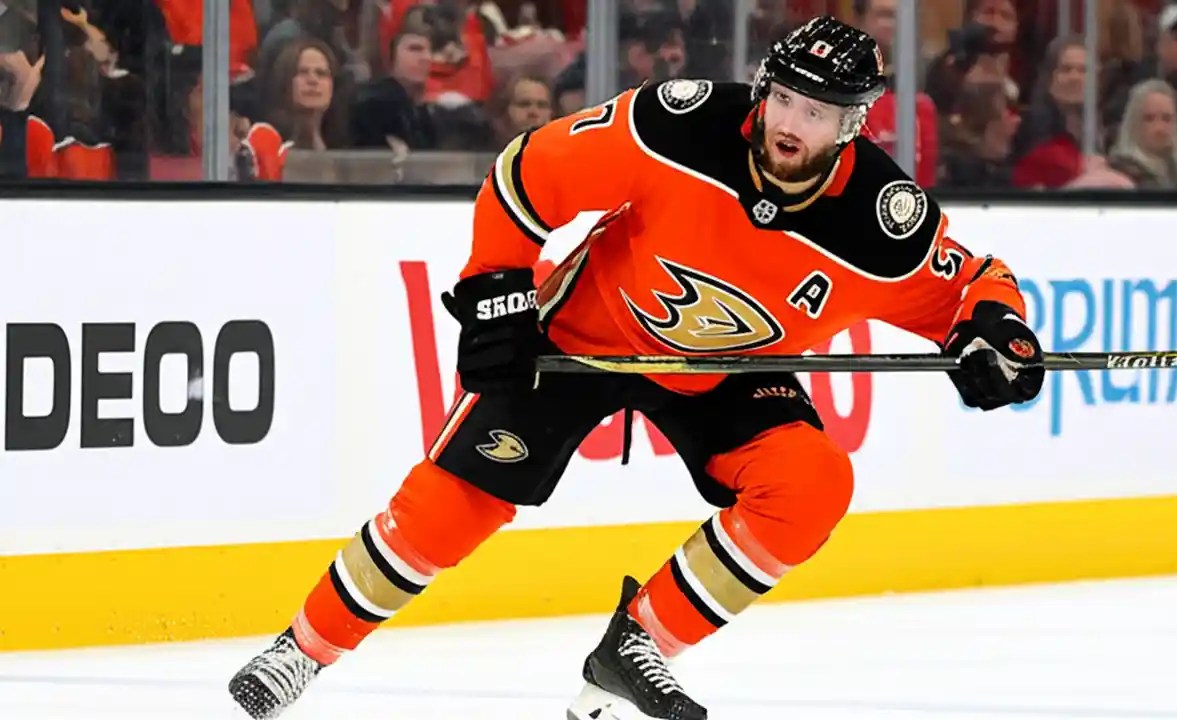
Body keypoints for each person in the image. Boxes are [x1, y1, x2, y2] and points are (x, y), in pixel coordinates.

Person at [227, 15, 1045, 720]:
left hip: (727, 367)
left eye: (821, 112)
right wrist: (496, 291)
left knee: (812, 482)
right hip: (587, 336)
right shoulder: (677, 127)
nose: (793, 124)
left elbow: (969, 288)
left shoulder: (882, 223)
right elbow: (527, 173)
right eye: (786, 98)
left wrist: (997, 335)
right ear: (764, 89)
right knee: (451, 506)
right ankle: (304, 648)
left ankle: (634, 650)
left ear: (856, 123)